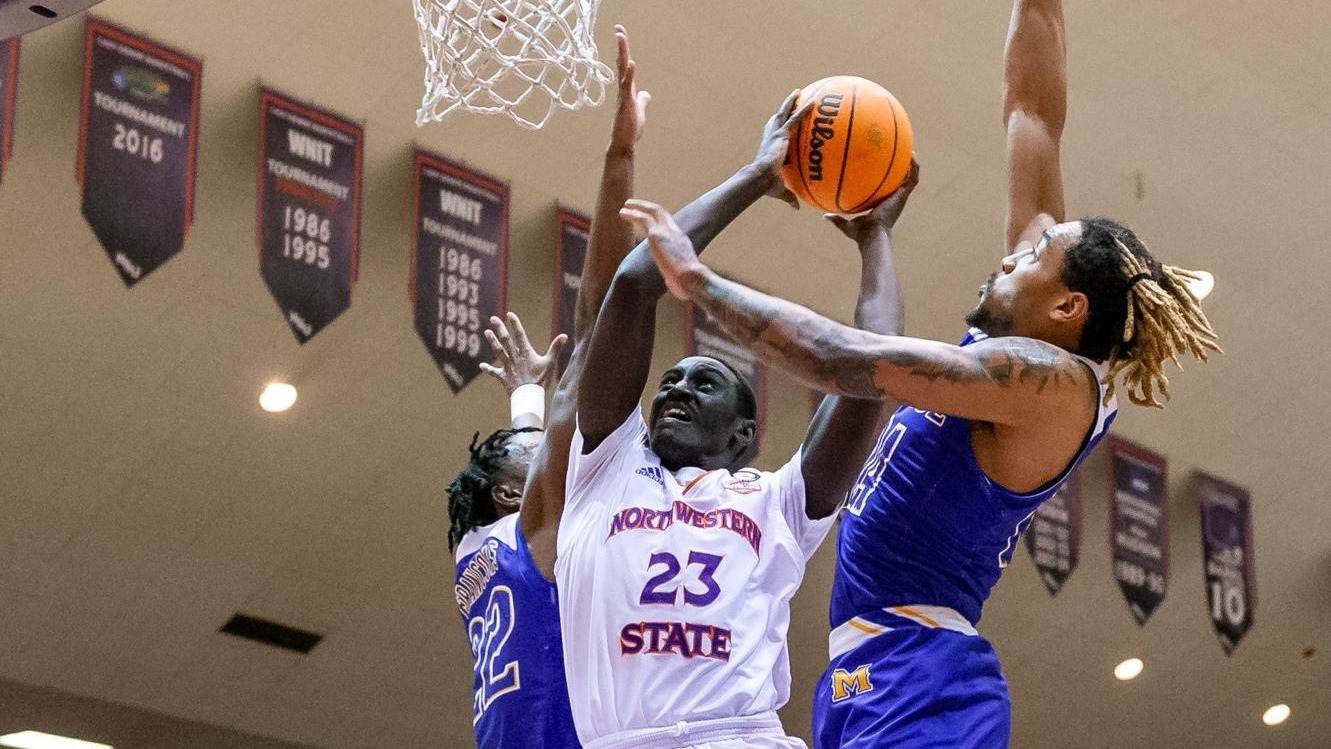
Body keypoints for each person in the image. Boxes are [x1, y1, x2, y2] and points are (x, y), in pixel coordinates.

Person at [629, 2, 1221, 746]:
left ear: (1068, 306)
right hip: (867, 673)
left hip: (923, 676)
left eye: (1035, 257)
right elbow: (1032, 116)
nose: (1014, 252)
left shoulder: (1048, 383)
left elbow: (851, 360)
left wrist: (699, 282)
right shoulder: (1027, 333)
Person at [556, 85, 917, 747]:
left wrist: (876, 236)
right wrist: (758, 175)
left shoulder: (775, 503)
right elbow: (633, 287)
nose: (677, 389)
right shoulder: (606, 466)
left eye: (705, 383)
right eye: (670, 382)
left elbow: (876, 368)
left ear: (743, 435)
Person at [447, 26, 650, 749]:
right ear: (515, 493)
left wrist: (528, 399)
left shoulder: (478, 554)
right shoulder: (528, 530)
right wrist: (618, 158)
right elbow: (595, 318)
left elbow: (523, 466)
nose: (552, 455)